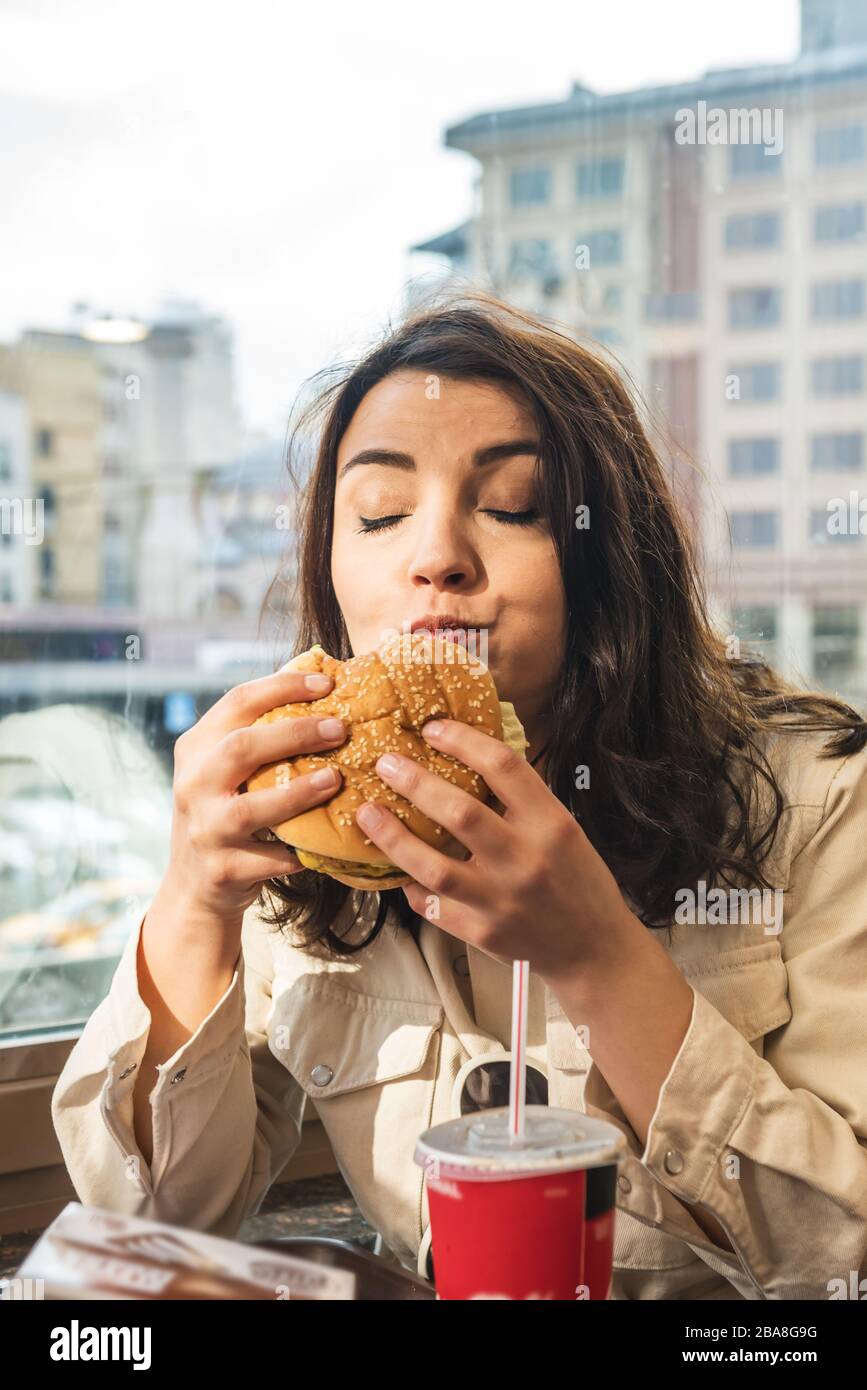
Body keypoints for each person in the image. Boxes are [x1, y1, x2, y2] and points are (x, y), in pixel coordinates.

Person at [52, 288, 867, 1299]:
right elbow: (147, 1231)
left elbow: (846, 1258)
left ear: (607, 562)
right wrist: (192, 902)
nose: (435, 556)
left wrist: (599, 956)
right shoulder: (319, 833)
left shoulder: (821, 801)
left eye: (514, 507)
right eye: (380, 514)